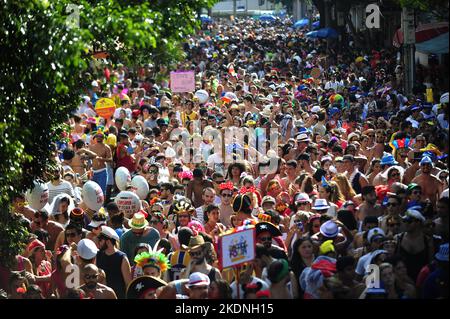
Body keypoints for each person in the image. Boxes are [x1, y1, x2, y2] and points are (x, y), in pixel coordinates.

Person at [395, 209, 434, 281]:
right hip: (403, 280)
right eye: (404, 221)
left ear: (418, 223)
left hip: (422, 280)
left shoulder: (428, 240)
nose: (406, 224)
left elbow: (431, 263)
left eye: (409, 221)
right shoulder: (398, 238)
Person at [96, 226, 132, 299]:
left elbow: (128, 283)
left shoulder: (122, 258)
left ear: (108, 241)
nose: (98, 242)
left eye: (100, 240)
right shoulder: (98, 255)